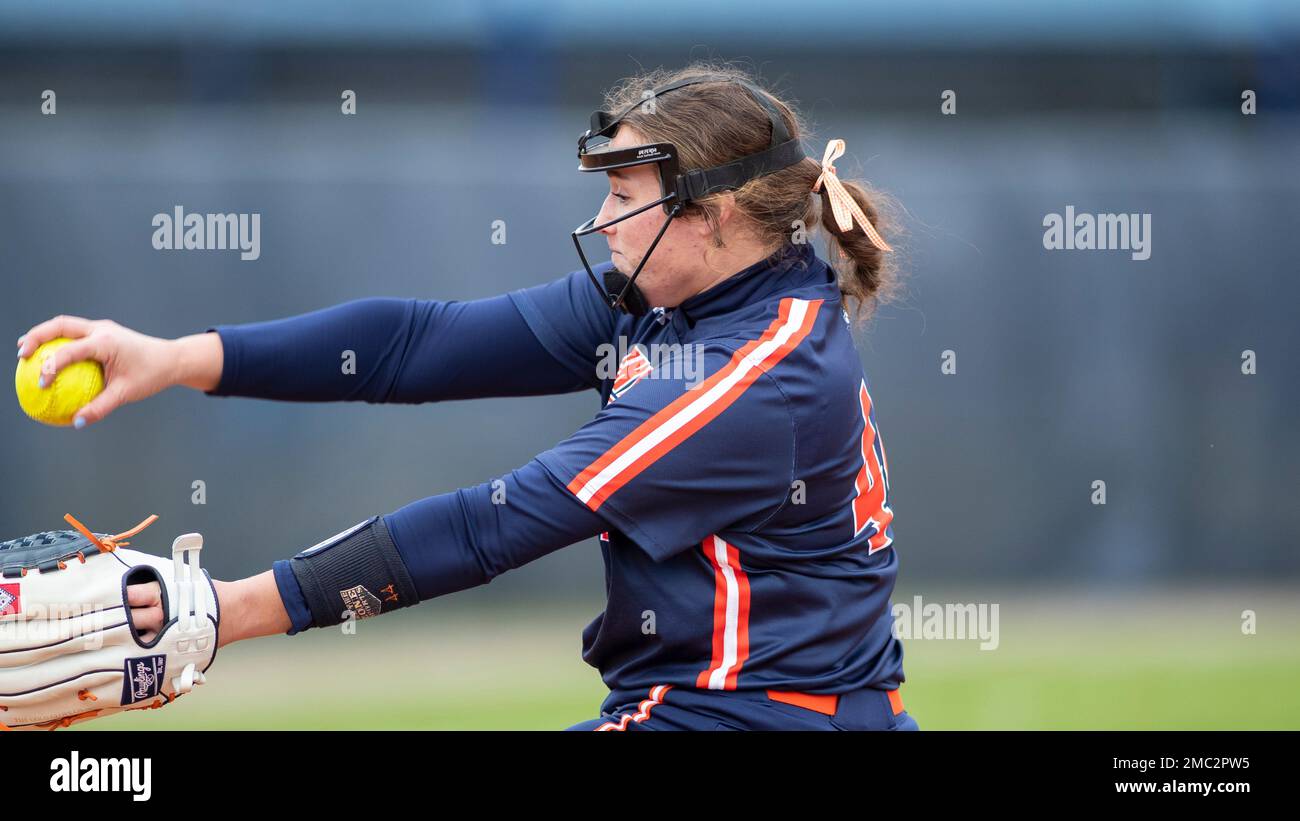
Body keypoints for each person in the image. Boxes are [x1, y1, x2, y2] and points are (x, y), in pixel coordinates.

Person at [15, 64, 916, 731]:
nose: (602, 220)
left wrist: (222, 609)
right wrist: (176, 357)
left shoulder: (749, 372)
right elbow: (417, 345)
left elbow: (497, 522)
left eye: (622, 193)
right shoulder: (679, 299)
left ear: (710, 215)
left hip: (763, 714)